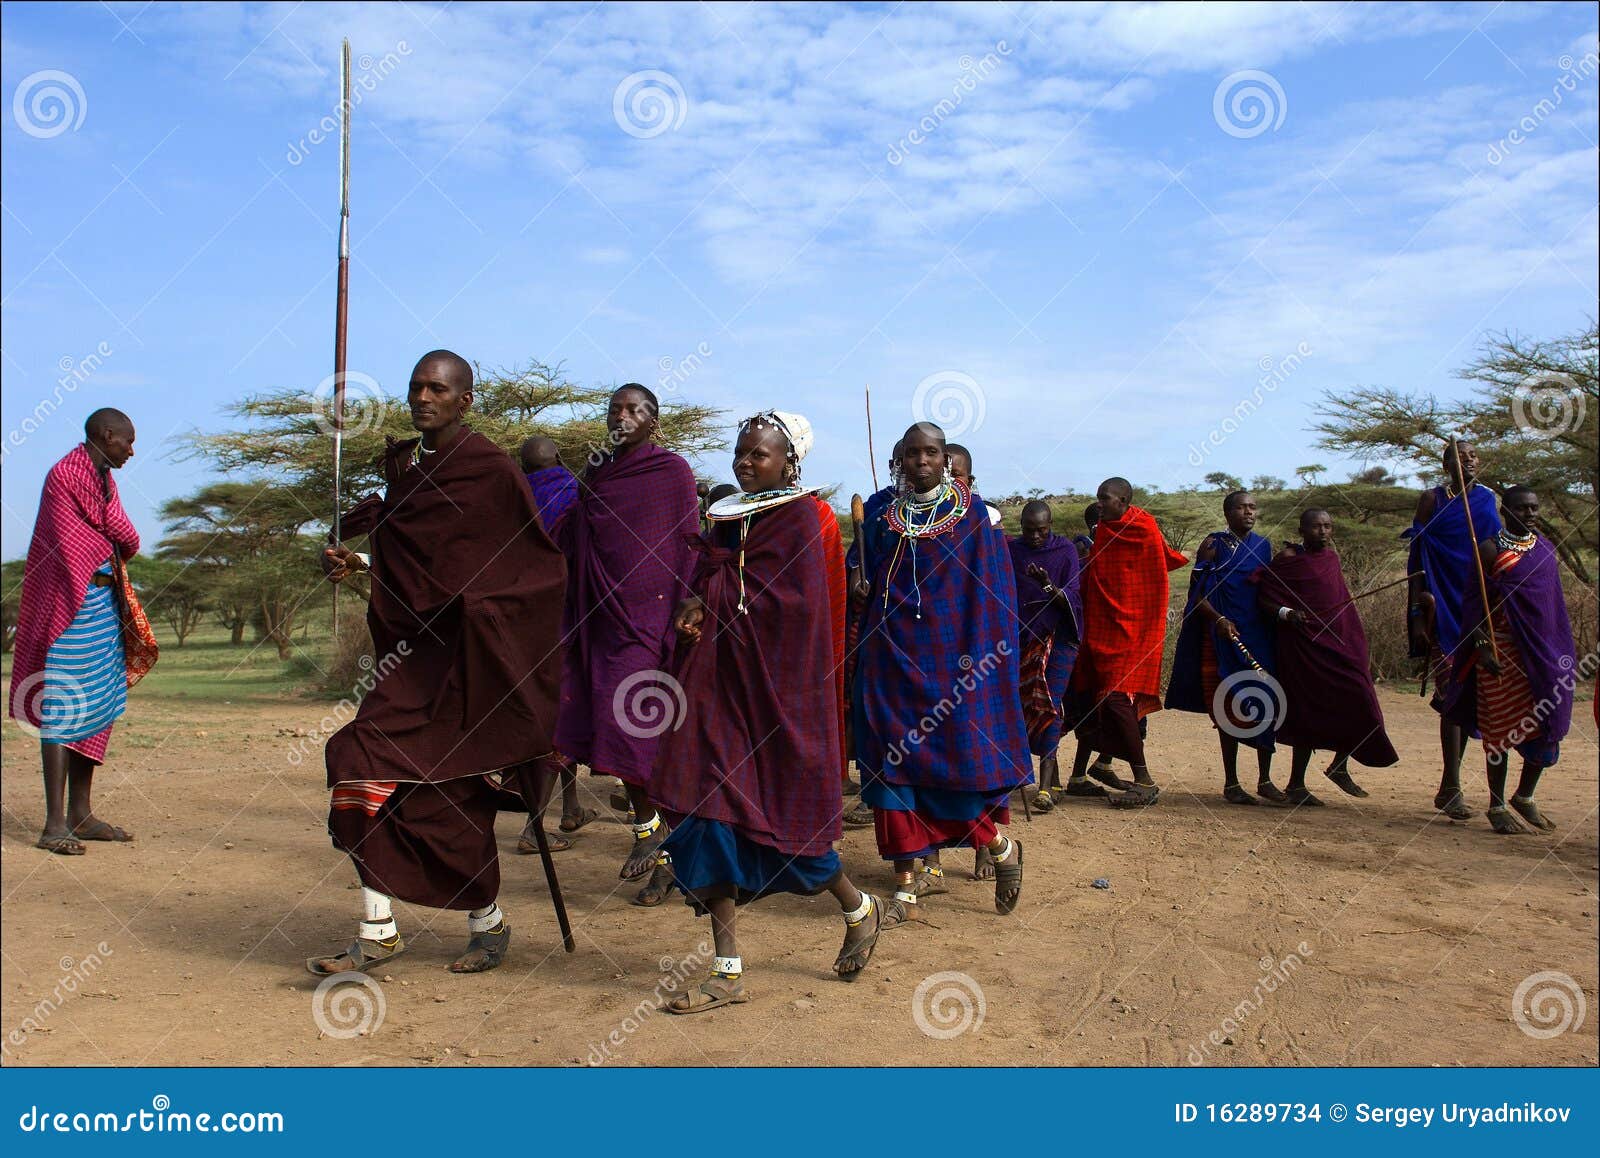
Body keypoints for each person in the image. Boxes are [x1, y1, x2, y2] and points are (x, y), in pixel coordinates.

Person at [310, 350, 567, 975]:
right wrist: (362, 565)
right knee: (353, 761)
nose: (424, 398)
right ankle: (379, 928)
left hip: (472, 663)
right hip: (411, 660)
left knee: (453, 796)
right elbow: (411, 564)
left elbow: (534, 573)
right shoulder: (405, 471)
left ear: (465, 400)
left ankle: (488, 923)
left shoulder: (490, 473)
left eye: (438, 389)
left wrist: (480, 608)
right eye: (416, 388)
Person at [652, 411, 884, 1012]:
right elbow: (712, 579)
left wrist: (721, 595)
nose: (746, 463)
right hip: (718, 692)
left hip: (777, 693)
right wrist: (698, 604)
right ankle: (727, 971)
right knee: (708, 815)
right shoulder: (728, 516)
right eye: (741, 453)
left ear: (789, 461)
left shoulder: (805, 518)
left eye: (759, 455)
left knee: (784, 824)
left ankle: (857, 907)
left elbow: (799, 609)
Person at [853, 422, 1029, 923]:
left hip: (951, 662)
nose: (921, 461)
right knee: (893, 769)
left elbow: (993, 596)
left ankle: (999, 847)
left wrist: (982, 665)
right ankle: (905, 885)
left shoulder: (972, 516)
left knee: (944, 770)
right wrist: (860, 584)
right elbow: (861, 572)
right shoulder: (883, 515)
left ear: (945, 459)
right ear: (900, 460)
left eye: (930, 452)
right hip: (890, 660)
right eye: (912, 454)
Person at [556, 383, 699, 906]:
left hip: (653, 616)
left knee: (634, 724)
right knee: (615, 724)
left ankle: (654, 835)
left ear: (653, 421)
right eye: (614, 409)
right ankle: (657, 839)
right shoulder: (597, 472)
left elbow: (686, 540)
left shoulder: (672, 472)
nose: (622, 416)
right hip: (600, 615)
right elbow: (574, 536)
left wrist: (687, 604)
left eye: (634, 409)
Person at [9, 409, 142, 855]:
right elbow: (75, 545)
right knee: (62, 706)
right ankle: (53, 825)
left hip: (104, 604)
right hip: (71, 603)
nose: (131, 450)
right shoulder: (65, 475)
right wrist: (113, 536)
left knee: (98, 705)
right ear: (107, 436)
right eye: (127, 441)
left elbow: (118, 531)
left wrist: (113, 534)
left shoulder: (105, 478)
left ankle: (81, 815)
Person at [1444, 487, 1576, 835]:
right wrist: (1483, 647)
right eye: (1522, 508)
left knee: (1548, 724)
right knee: (1500, 730)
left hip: (1543, 655)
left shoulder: (1545, 548)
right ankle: (1497, 803)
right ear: (1506, 511)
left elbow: (1552, 608)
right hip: (1501, 652)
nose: (1530, 513)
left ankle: (1525, 796)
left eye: (1534, 507)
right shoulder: (1489, 549)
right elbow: (1474, 605)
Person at [1254, 509, 1398, 806]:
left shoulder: (1332, 560)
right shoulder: (1288, 560)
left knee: (1360, 696)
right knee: (1307, 711)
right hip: (1303, 646)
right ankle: (1296, 784)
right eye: (1316, 527)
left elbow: (1340, 605)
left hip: (1339, 643)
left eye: (1328, 527)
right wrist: (1287, 613)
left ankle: (1339, 764)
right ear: (1302, 530)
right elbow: (1263, 596)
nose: (1323, 532)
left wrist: (1354, 642)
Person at [1066, 477, 1187, 808]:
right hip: (1105, 628)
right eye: (1098, 498)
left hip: (1136, 630)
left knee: (1116, 699)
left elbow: (1150, 582)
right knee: (1099, 700)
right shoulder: (1105, 531)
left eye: (1105, 499)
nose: (1099, 504)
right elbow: (1100, 577)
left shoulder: (1142, 530)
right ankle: (1096, 768)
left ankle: (1144, 780)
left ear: (1124, 500)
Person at [1404, 442, 1501, 820]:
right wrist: (1416, 618)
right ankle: (1452, 784)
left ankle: (1455, 789)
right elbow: (1417, 559)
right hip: (1440, 609)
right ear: (1446, 464)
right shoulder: (1432, 500)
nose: (1471, 460)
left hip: (1480, 608)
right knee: (1452, 697)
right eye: (1462, 456)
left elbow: (1495, 551)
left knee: (1476, 696)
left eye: (1475, 455)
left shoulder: (1488, 499)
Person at [1166, 491, 1283, 804]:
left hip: (1257, 635)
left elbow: (1267, 591)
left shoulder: (1262, 546)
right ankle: (1231, 783)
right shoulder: (1213, 545)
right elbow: (1196, 595)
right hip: (1221, 636)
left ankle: (1265, 779)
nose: (1248, 512)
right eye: (1241, 507)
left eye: (1252, 507)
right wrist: (1218, 619)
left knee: (1266, 701)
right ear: (1227, 512)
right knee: (1228, 706)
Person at [513, 436, 594, 856]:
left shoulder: (514, 499)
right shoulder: (575, 494)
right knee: (562, 722)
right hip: (568, 620)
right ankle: (533, 829)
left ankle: (572, 807)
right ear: (561, 457)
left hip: (521, 628)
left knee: (550, 719)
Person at [842, 439, 904, 822]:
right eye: (903, 459)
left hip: (920, 631)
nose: (912, 466)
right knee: (873, 711)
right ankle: (872, 794)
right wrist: (858, 582)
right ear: (893, 464)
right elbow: (856, 560)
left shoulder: (947, 509)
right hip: (877, 627)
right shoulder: (878, 505)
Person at [1008, 501, 1081, 811]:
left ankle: (1046, 786)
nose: (1035, 537)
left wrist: (1047, 585)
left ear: (1050, 526)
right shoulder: (1014, 551)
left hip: (1059, 637)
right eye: (1029, 530)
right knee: (1026, 703)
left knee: (1050, 702)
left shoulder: (1064, 551)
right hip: (1022, 638)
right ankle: (1042, 777)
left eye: (1041, 531)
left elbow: (1072, 597)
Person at [947, 443, 1003, 528]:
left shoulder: (979, 510)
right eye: (942, 473)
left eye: (954, 475)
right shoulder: (924, 510)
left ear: (969, 482)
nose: (947, 479)